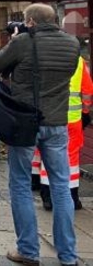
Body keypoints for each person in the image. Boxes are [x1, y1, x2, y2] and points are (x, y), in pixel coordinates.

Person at [0, 3, 80, 266]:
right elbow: (66, 74)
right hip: (57, 123)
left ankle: (28, 250)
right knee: (61, 186)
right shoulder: (72, 44)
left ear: (29, 22)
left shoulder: (24, 42)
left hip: (26, 122)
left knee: (19, 184)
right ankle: (68, 255)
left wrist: (14, 43)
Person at [37, 55, 93, 211]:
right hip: (73, 119)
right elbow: (88, 90)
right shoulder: (79, 60)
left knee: (48, 154)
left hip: (49, 117)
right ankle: (72, 197)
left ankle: (47, 197)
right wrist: (85, 110)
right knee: (72, 158)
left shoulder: (43, 57)